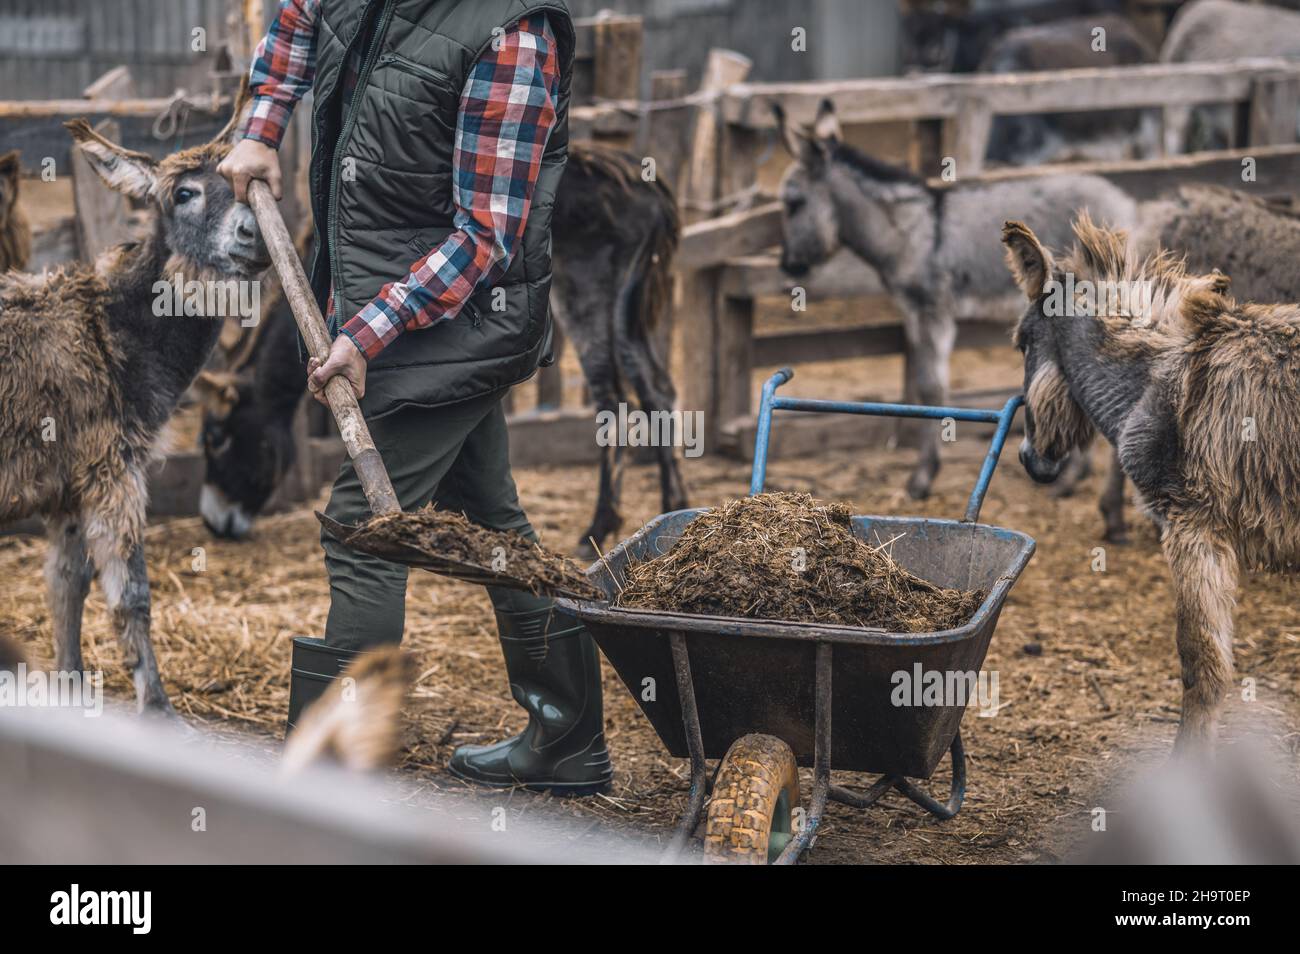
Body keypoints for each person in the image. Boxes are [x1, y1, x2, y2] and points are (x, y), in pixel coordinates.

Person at [218, 0, 612, 794]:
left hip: (459, 315)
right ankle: (566, 735)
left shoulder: (513, 37)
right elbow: (300, 14)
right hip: (376, 296)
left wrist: (367, 333)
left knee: (363, 532)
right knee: (488, 512)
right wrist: (263, 124)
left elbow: (485, 237)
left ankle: (326, 783)